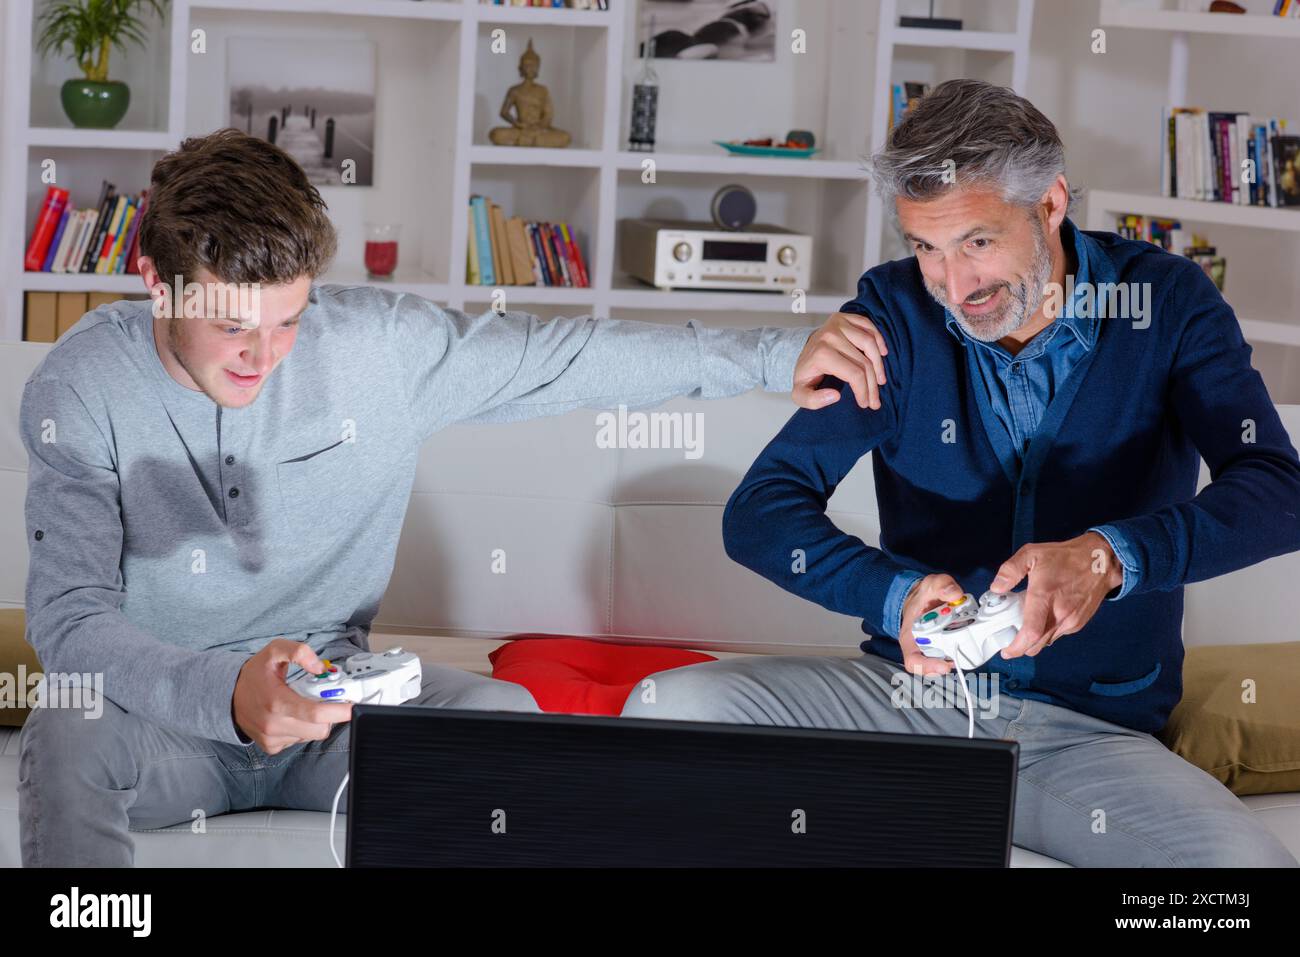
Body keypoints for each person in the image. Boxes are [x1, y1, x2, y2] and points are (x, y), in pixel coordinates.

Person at [17, 127, 887, 867]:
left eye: (287, 320)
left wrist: (774, 354)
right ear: (154, 280)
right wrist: (228, 693)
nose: (264, 355)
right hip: (167, 721)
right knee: (65, 724)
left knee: (502, 720)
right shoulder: (82, 385)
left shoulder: (378, 350)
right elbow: (69, 617)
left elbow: (568, 358)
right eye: (232, 325)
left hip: (339, 709)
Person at [621, 79, 1300, 868]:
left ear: (1050, 203)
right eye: (925, 247)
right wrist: (895, 596)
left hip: (1089, 737)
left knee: (1240, 880)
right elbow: (763, 510)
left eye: (977, 241)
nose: (953, 284)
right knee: (674, 704)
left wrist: (1110, 557)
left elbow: (1278, 491)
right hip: (906, 706)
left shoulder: (1166, 303)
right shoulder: (895, 314)